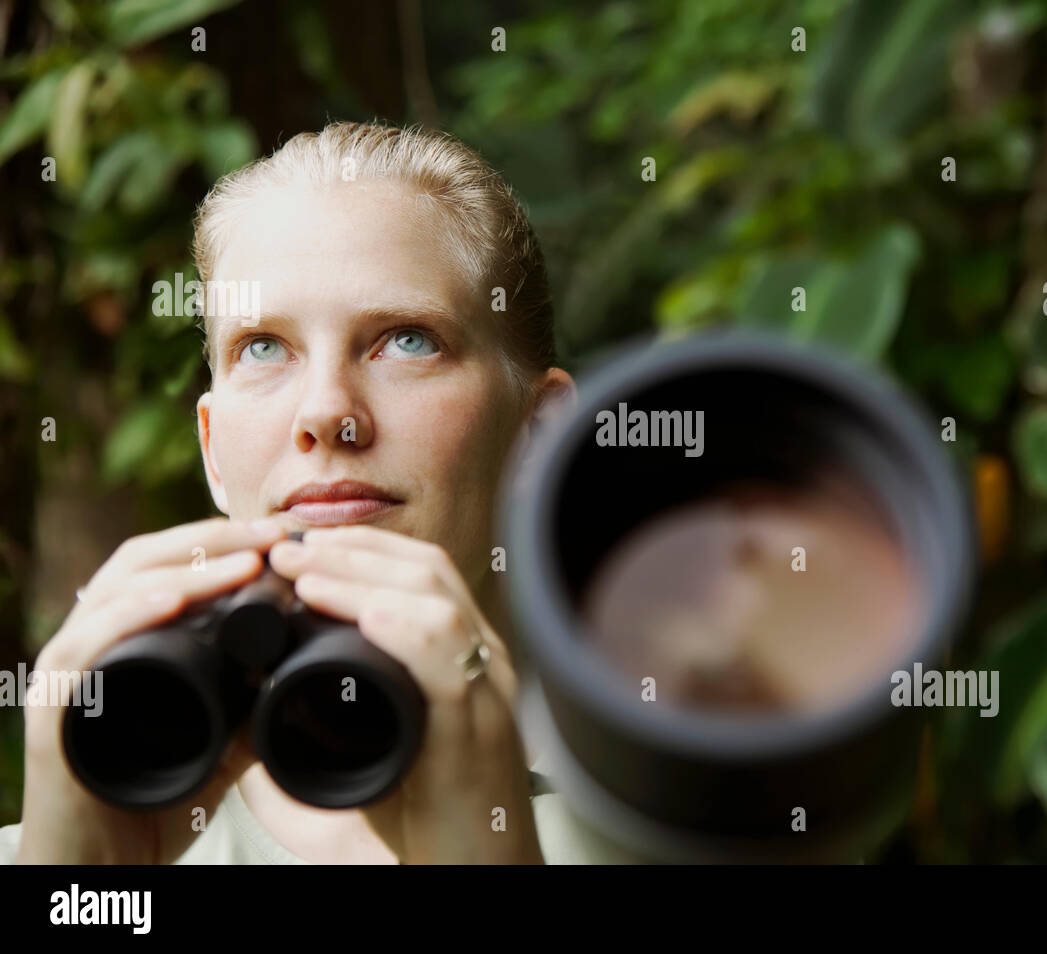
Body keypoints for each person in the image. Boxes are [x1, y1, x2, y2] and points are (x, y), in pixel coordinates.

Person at [0, 121, 644, 865]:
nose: (324, 413)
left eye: (407, 339)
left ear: (540, 434)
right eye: (263, 349)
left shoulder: (687, 840)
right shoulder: (55, 853)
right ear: (212, 448)